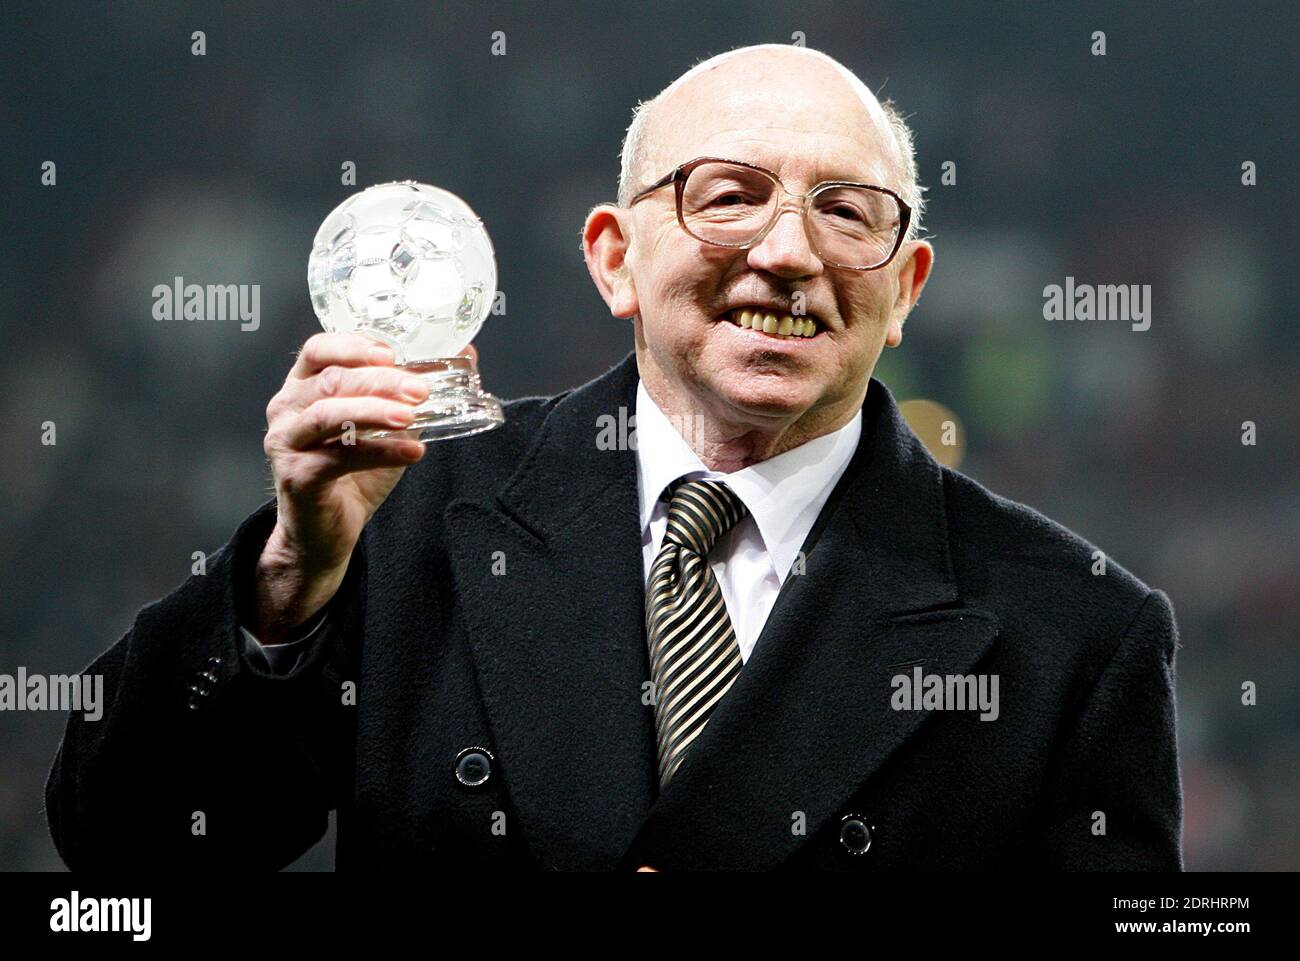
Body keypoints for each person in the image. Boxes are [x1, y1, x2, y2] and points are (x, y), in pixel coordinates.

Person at [46, 44, 1182, 871]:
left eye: (846, 212)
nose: (787, 253)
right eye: (727, 196)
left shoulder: (1071, 632)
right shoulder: (406, 515)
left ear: (905, 289)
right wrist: (288, 581)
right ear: (613, 259)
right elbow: (124, 852)